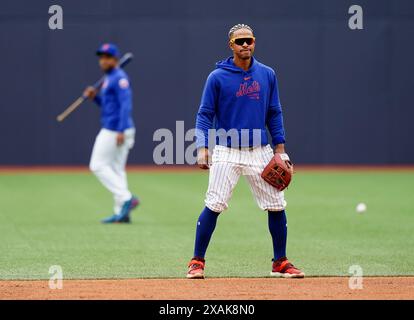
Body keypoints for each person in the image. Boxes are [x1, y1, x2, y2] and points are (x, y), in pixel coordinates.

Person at [187, 24, 304, 278]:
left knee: (276, 204)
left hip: (260, 150)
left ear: (254, 42)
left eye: (248, 40)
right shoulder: (217, 77)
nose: (245, 45)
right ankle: (197, 261)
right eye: (239, 41)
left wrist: (280, 149)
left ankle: (280, 262)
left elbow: (275, 111)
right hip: (227, 150)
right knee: (214, 203)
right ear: (231, 45)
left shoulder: (267, 74)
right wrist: (202, 147)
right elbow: (204, 115)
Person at [83, 43, 139, 223]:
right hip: (117, 127)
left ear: (115, 60)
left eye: (107, 57)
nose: (103, 61)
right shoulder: (109, 78)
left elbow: (125, 105)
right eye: (101, 57)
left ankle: (126, 198)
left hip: (115, 129)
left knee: (97, 165)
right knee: (116, 169)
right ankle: (122, 213)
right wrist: (95, 98)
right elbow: (109, 106)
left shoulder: (119, 77)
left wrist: (121, 129)